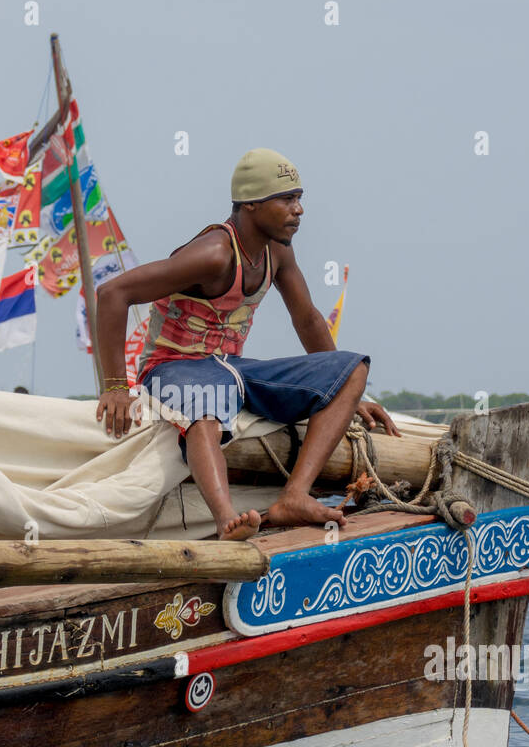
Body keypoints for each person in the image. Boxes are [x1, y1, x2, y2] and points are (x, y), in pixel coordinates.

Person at [95, 148, 399, 540]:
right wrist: (116, 387)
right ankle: (226, 521)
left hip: (230, 368)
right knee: (203, 411)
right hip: (174, 368)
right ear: (252, 205)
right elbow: (113, 294)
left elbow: (306, 317)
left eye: (300, 198)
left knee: (351, 368)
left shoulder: (277, 253)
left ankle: (294, 496)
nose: (299, 210)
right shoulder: (214, 255)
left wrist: (341, 391)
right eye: (287, 199)